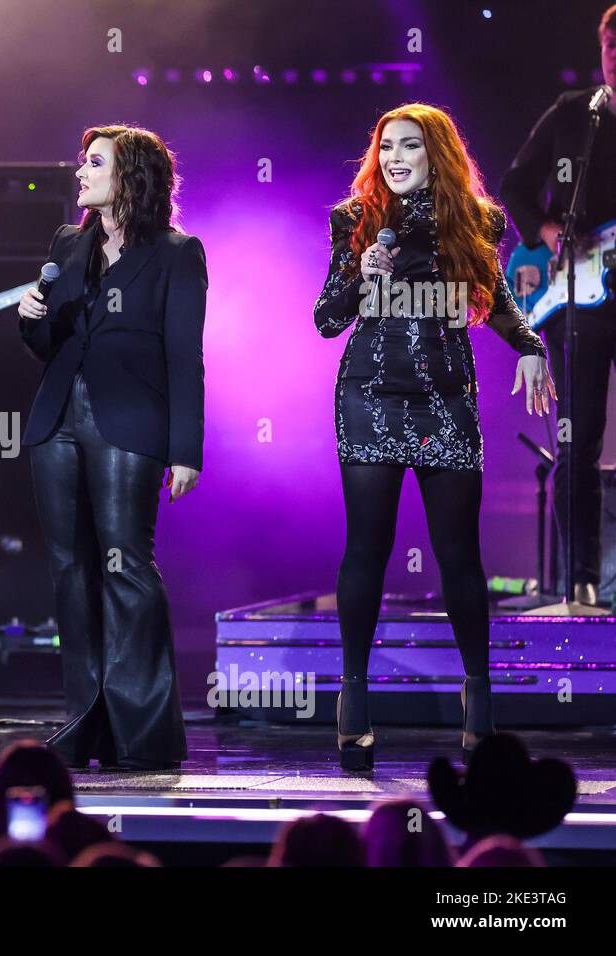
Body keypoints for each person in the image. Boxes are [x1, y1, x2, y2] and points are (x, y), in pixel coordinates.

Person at [313, 103, 555, 771]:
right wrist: (365, 277)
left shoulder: (475, 221)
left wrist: (530, 345)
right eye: (386, 145)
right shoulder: (356, 221)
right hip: (370, 396)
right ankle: (354, 696)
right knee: (367, 549)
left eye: (409, 146)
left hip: (446, 401)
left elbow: (496, 297)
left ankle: (479, 697)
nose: (394, 156)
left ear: (435, 154)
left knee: (459, 556)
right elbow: (325, 318)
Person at [17, 124, 206, 770]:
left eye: (94, 163)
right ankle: (86, 720)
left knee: (125, 565)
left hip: (130, 425)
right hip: (57, 422)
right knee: (71, 572)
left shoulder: (178, 253)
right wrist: (30, 319)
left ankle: (142, 730)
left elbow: (185, 357)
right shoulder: (69, 244)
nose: (80, 172)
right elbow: (49, 345)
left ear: (129, 176)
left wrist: (187, 450)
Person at [500, 4, 616, 605]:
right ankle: (583, 580)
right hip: (581, 301)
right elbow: (515, 184)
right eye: (611, 44)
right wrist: (546, 232)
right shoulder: (578, 115)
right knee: (578, 442)